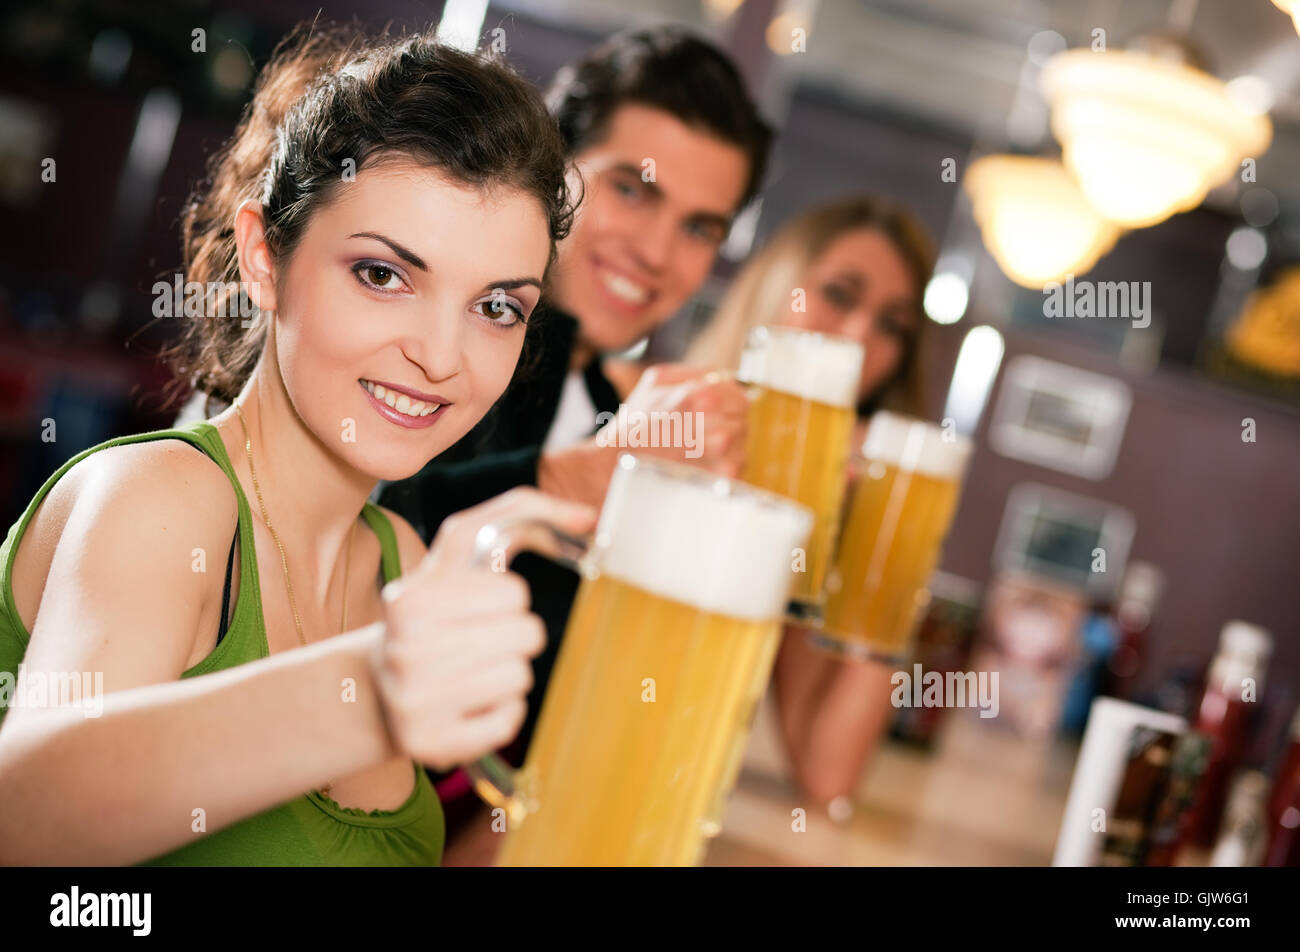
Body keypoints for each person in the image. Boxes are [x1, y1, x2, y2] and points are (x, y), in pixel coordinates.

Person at [0, 27, 592, 866]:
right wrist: (367, 690)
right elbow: (22, 819)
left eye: (496, 307)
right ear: (264, 258)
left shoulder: (403, 563)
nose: (441, 356)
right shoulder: (162, 500)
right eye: (384, 275)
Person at [374, 25, 776, 851]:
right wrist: (587, 479)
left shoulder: (595, 394)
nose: (658, 252)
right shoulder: (415, 325)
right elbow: (356, 542)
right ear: (553, 167)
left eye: (702, 228)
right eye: (633, 189)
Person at [686, 194, 936, 810]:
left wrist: (889, 540)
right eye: (839, 295)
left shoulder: (832, 502)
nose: (856, 338)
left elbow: (827, 774)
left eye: (891, 325)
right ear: (774, 285)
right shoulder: (646, 417)